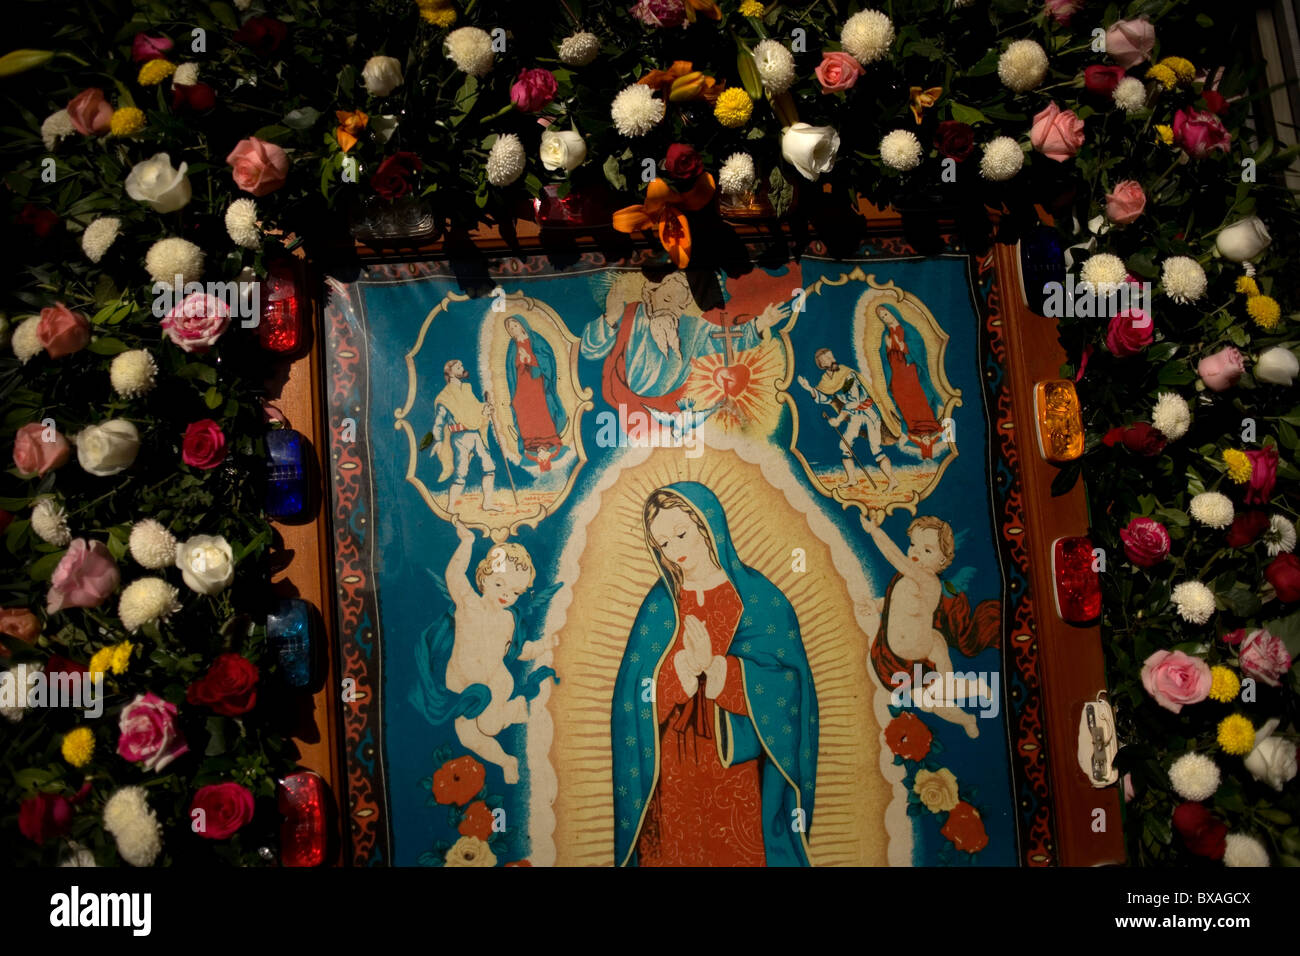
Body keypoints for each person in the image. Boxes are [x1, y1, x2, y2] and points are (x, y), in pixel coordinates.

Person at [612, 482, 818, 866]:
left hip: (736, 766)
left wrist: (719, 669)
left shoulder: (760, 599)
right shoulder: (660, 605)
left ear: (707, 526)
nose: (675, 550)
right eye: (663, 544)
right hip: (672, 768)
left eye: (681, 534)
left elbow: (789, 686)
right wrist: (678, 675)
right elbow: (632, 696)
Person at [414, 518, 556, 786]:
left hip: (496, 682)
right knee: (467, 736)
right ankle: (506, 761)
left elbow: (515, 652)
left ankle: (513, 709)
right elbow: (454, 575)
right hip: (463, 689)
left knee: (489, 726)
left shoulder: (508, 620)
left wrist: (542, 647)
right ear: (484, 577)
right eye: (499, 584)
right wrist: (467, 543)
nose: (506, 595)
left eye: (515, 591)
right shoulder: (468, 604)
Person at [860, 513, 999, 738]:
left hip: (920, 653)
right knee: (929, 703)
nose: (915, 552)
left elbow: (895, 557)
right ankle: (967, 719)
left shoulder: (927, 581)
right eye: (914, 544)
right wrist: (875, 605)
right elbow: (897, 603)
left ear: (942, 561)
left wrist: (875, 531)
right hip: (894, 658)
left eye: (927, 550)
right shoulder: (906, 579)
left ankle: (977, 689)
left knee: (943, 690)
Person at [581, 270, 791, 415]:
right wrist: (609, 318)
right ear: (649, 294)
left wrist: (761, 323)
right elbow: (590, 351)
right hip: (623, 407)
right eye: (666, 299)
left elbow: (729, 338)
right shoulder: (626, 314)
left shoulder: (692, 328)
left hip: (669, 412)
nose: (671, 309)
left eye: (679, 304)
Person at [798, 347, 898, 491]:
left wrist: (838, 420)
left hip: (869, 411)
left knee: (875, 447)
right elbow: (826, 398)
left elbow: (853, 401)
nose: (831, 359)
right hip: (855, 414)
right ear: (821, 365)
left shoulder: (846, 374)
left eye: (831, 356)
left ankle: (893, 480)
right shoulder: (826, 380)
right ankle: (852, 479)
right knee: (845, 446)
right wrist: (809, 389)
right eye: (826, 359)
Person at [431, 358, 501, 512]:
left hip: (475, 434)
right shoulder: (446, 396)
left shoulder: (467, 389)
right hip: (460, 437)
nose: (462, 368)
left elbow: (475, 407)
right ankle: (450, 507)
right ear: (450, 372)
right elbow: (439, 421)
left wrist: (485, 409)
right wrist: (437, 440)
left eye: (462, 365)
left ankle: (487, 503)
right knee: (460, 473)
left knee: (489, 467)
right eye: (458, 366)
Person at [876, 304, 944, 458]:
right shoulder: (885, 335)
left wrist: (902, 346)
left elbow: (918, 346)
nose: (885, 318)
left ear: (893, 313)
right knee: (901, 399)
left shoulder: (907, 329)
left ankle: (927, 427)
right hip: (895, 372)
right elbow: (884, 356)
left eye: (886, 314)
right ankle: (914, 428)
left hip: (908, 369)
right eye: (882, 317)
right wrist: (887, 347)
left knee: (916, 397)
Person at [503, 315, 566, 466]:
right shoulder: (512, 346)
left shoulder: (536, 340)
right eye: (510, 328)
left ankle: (547, 439)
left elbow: (548, 361)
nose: (513, 329)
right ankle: (530, 441)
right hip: (521, 386)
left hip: (537, 384)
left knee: (540, 410)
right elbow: (510, 371)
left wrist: (530, 359)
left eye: (515, 325)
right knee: (522, 410)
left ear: (523, 325)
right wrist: (521, 361)